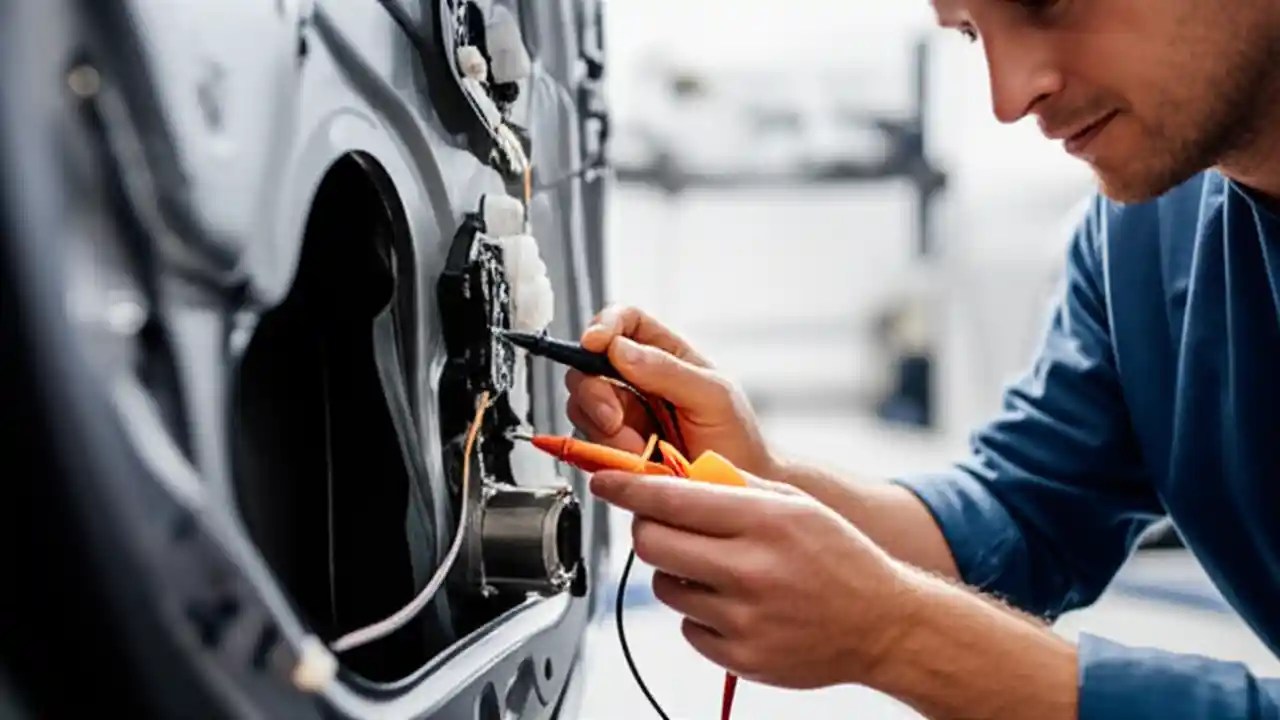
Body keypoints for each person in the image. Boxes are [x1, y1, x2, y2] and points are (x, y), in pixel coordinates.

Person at [564, 1, 1280, 718]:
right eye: (971, 33)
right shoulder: (1146, 228)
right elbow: (1025, 513)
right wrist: (760, 479)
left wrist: (901, 635)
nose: (1009, 97)